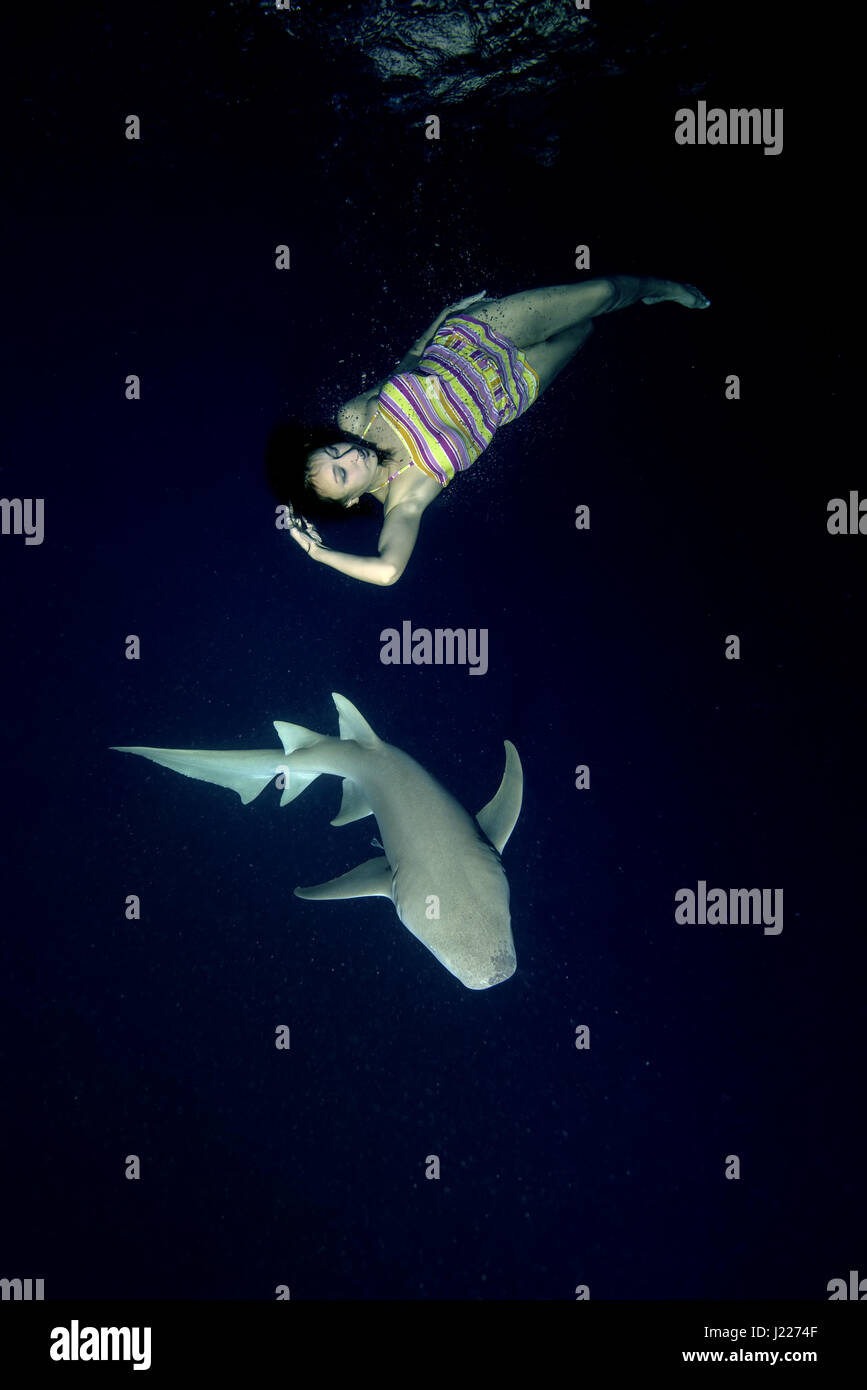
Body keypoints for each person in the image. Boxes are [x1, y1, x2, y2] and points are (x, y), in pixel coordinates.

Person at [267, 276, 710, 586]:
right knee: (584, 327)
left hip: (474, 334)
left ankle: (659, 288)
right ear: (349, 500)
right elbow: (387, 573)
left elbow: (403, 368)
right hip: (513, 390)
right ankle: (635, 298)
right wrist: (315, 552)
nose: (350, 456)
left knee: (603, 292)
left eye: (336, 452)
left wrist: (435, 323)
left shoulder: (353, 418)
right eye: (342, 473)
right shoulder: (405, 497)